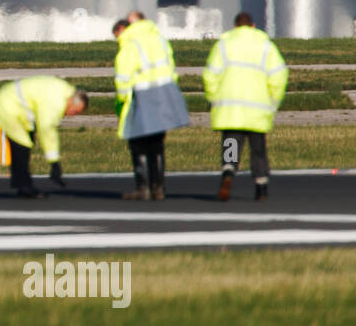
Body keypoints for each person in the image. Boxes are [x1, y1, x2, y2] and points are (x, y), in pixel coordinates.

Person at [203, 11, 288, 201]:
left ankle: (229, 171)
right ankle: (261, 186)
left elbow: (210, 75)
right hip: (257, 107)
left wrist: (213, 97)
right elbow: (279, 75)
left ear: (234, 27)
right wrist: (274, 101)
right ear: (253, 26)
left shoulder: (223, 45)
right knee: (258, 150)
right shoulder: (265, 46)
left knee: (231, 143)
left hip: (229, 107)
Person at [113, 13, 189, 200]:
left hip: (142, 95)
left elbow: (123, 76)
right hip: (163, 93)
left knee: (137, 142)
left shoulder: (132, 43)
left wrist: (122, 99)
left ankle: (143, 187)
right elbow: (172, 68)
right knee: (157, 144)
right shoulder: (159, 39)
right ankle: (158, 187)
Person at [0, 76, 89, 199]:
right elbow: (46, 129)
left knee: (25, 142)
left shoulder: (63, 91)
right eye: (74, 112)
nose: (71, 115)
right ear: (72, 101)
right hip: (8, 106)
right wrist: (54, 163)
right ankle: (24, 187)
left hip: (12, 104)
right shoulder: (56, 101)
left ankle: (20, 182)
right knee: (22, 144)